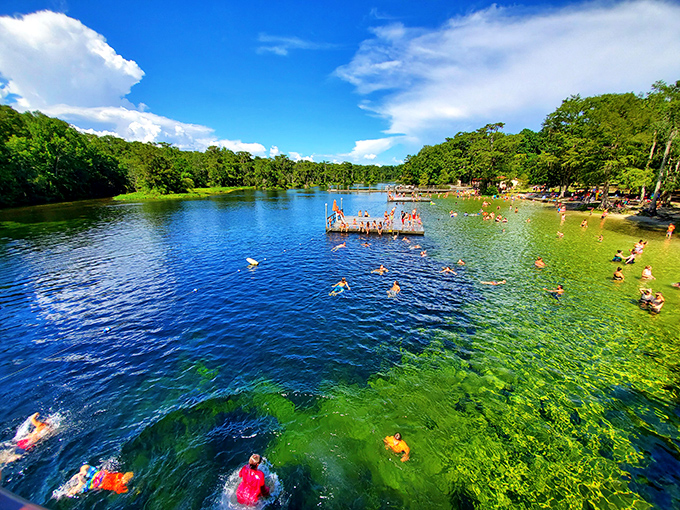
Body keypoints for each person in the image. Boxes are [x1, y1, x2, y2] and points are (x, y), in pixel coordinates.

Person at [65, 465, 133, 497]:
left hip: (101, 481)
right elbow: (85, 466)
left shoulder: (89, 484)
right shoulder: (90, 480)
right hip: (101, 474)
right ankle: (81, 476)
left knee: (124, 483)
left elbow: (71, 493)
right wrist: (82, 472)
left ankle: (80, 481)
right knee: (126, 478)